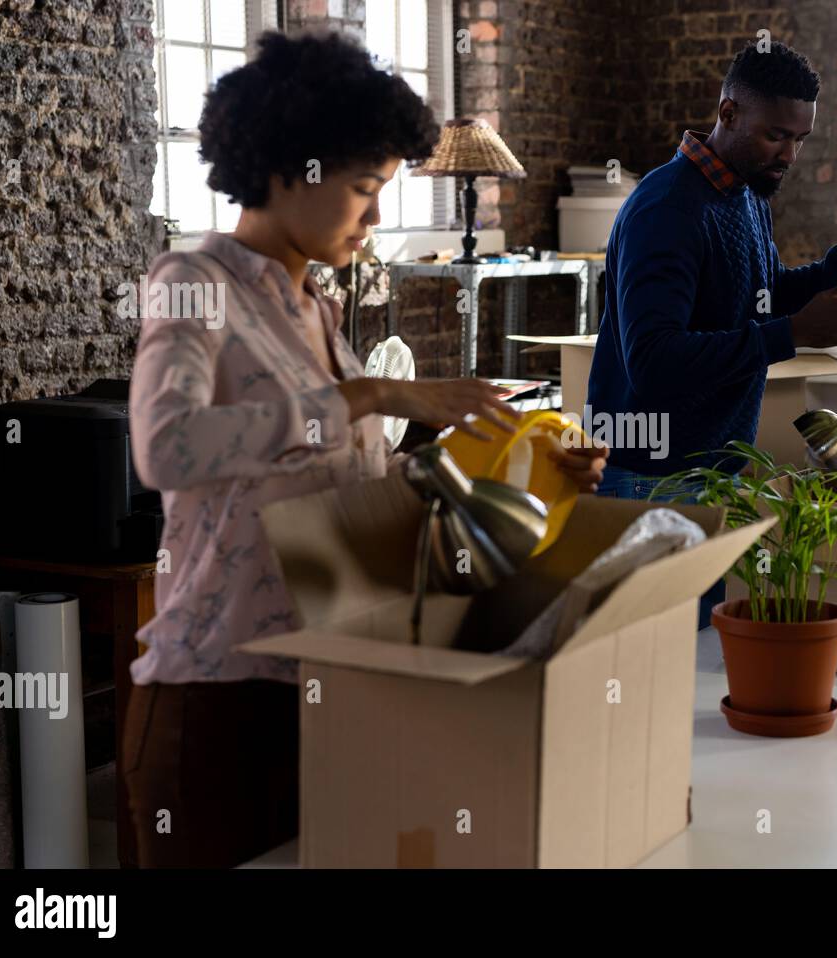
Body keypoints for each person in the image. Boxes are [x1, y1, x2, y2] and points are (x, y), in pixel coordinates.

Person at [124, 30, 605, 868]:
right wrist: (373, 395)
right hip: (218, 701)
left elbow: (351, 494)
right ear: (286, 171)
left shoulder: (315, 309)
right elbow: (164, 450)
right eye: (362, 188)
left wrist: (530, 473)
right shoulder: (193, 282)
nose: (377, 216)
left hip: (332, 681)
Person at [585, 40, 837, 624]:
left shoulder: (745, 191)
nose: (790, 154)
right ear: (728, 114)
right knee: (663, 667)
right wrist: (791, 334)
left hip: (706, 473)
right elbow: (654, 363)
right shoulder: (667, 209)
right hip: (653, 479)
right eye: (776, 135)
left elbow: (759, 292)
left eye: (800, 139)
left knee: (703, 662)